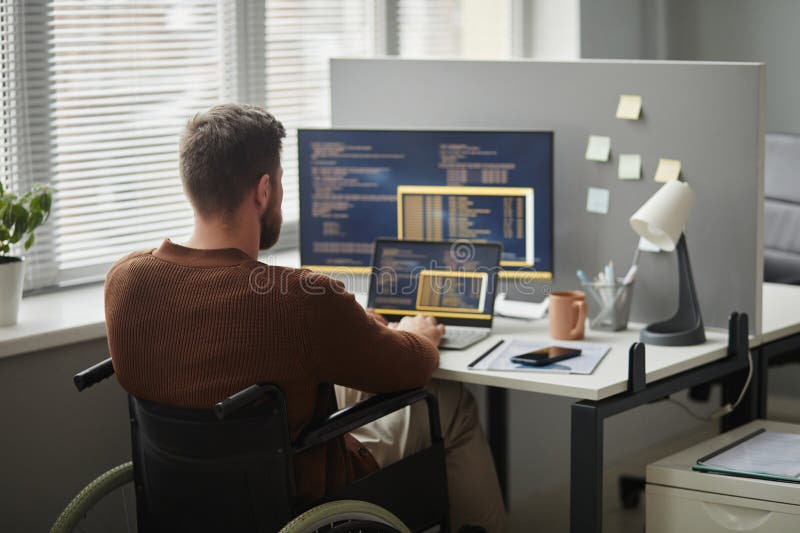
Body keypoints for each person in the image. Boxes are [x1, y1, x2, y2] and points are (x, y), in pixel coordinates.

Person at [104, 103, 506, 531]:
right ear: (263, 190)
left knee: (346, 383)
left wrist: (354, 326)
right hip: (308, 500)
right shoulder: (297, 298)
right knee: (451, 402)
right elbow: (413, 366)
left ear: (192, 185)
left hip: (190, 499)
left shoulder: (126, 281)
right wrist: (417, 334)